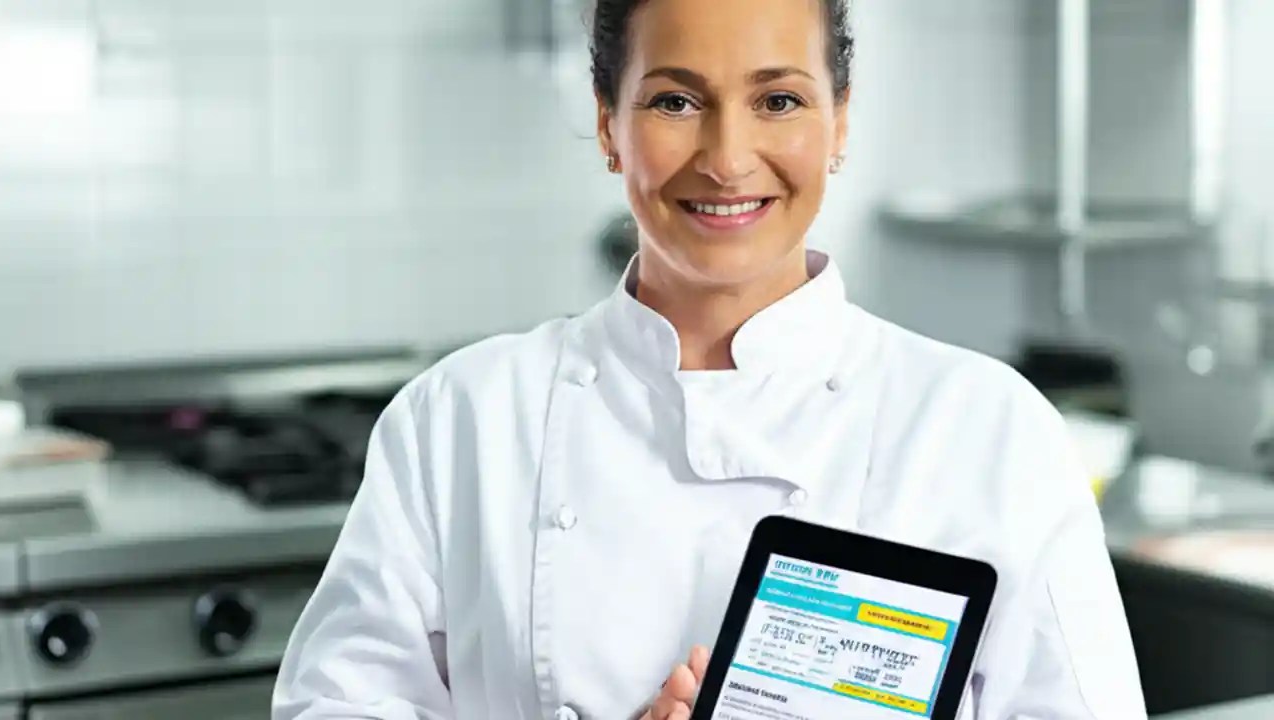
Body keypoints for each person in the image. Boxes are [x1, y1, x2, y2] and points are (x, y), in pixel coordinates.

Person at [273, 0, 1147, 718]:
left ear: (840, 120)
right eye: (674, 101)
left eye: (778, 101)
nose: (728, 161)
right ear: (608, 122)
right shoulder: (460, 418)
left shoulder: (985, 428)